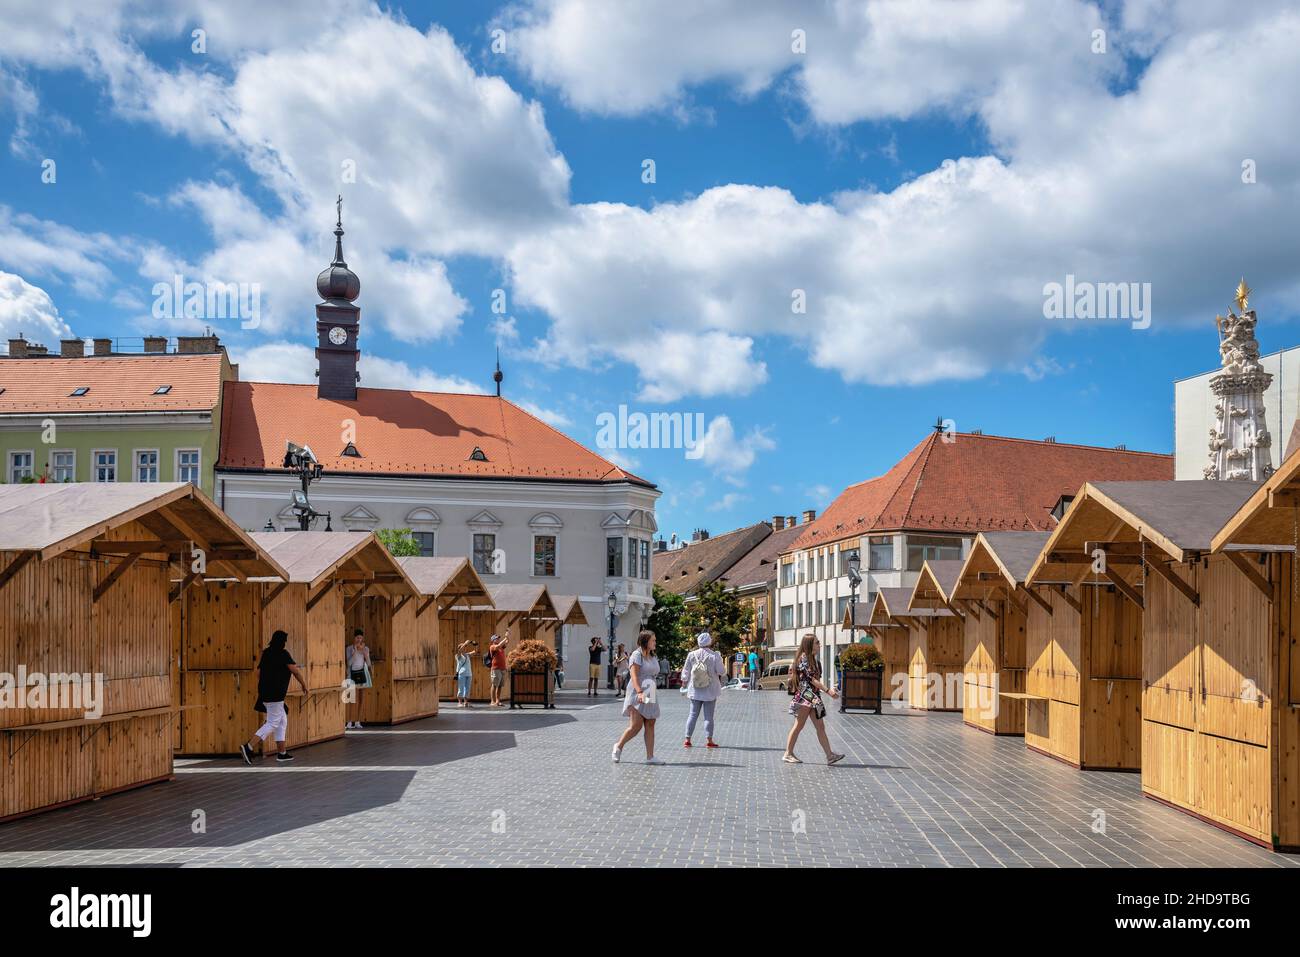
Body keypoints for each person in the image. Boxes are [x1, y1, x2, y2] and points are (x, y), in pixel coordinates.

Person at [240, 630, 308, 763]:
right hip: (275, 695)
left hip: (265, 693)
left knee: (282, 720)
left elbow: (258, 673)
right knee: (273, 723)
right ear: (282, 642)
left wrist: (266, 683)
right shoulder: (283, 654)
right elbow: (295, 671)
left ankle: (282, 753)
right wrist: (304, 685)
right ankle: (248, 747)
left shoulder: (266, 653)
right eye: (284, 641)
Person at [783, 634, 844, 765]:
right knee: (799, 725)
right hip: (806, 696)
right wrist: (828, 691)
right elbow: (812, 679)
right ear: (810, 644)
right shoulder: (803, 658)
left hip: (815, 697)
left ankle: (829, 755)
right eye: (817, 642)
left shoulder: (815, 660)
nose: (819, 644)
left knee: (820, 727)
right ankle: (788, 753)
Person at [612, 631, 662, 764]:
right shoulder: (636, 655)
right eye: (653, 640)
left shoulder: (652, 656)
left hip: (650, 690)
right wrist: (639, 691)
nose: (655, 642)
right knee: (636, 726)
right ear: (646, 641)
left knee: (650, 722)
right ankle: (618, 746)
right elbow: (634, 675)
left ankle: (650, 757)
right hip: (637, 690)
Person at [680, 631, 725, 748]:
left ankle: (687, 739)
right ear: (709, 642)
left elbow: (685, 671)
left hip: (695, 689)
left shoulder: (691, 654)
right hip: (710, 690)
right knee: (709, 716)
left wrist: (684, 681)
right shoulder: (714, 655)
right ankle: (709, 740)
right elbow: (722, 671)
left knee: (692, 714)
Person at [345, 628, 371, 729]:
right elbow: (349, 663)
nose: (359, 640)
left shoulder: (366, 649)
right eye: (357, 638)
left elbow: (368, 663)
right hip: (352, 674)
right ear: (354, 638)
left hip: (362, 673)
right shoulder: (349, 649)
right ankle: (349, 721)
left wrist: (365, 654)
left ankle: (357, 721)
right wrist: (355, 651)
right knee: (352, 698)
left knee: (361, 698)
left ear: (362, 638)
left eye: (360, 638)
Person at [489, 630, 510, 707]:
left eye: (498, 638)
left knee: (500, 685)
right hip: (496, 668)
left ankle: (498, 701)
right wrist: (505, 638)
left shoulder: (501, 647)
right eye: (496, 639)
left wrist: (507, 635)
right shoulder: (493, 647)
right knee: (494, 684)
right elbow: (498, 646)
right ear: (493, 640)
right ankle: (492, 701)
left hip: (502, 668)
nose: (498, 639)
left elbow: (507, 642)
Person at [454, 639, 476, 708]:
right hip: (462, 673)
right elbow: (460, 651)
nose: (465, 648)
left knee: (467, 688)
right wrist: (465, 643)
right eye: (463, 647)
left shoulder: (467, 655)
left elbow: (475, 651)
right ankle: (460, 702)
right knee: (461, 688)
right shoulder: (458, 656)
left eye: (465, 647)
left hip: (469, 673)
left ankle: (466, 702)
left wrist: (475, 645)